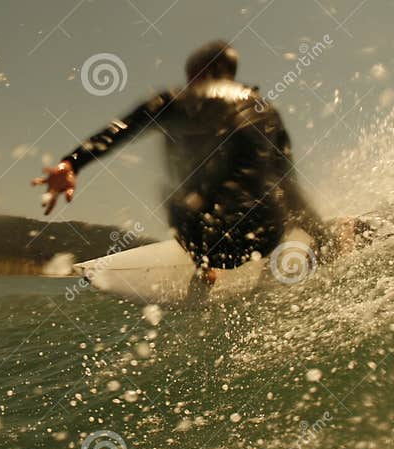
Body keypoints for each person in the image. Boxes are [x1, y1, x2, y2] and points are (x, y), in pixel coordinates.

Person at [32, 40, 333, 280]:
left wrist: (72, 163)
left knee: (170, 180)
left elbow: (123, 129)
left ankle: (204, 268)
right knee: (271, 174)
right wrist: (319, 233)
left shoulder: (179, 101)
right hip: (269, 233)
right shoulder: (266, 110)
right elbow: (288, 181)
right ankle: (318, 241)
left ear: (201, 72)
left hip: (220, 246)